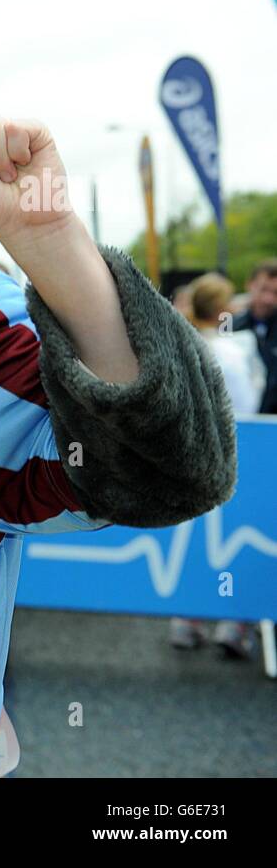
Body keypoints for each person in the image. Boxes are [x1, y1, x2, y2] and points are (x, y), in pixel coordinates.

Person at [169, 273, 263, 657]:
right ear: (225, 308)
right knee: (233, 541)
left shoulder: (178, 345)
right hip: (231, 461)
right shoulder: (232, 353)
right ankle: (234, 623)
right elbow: (247, 410)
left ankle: (187, 619)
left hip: (185, 458)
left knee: (191, 539)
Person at [233, 257, 277, 414]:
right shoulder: (231, 327)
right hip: (240, 421)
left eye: (275, 293)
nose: (268, 299)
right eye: (263, 289)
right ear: (250, 285)